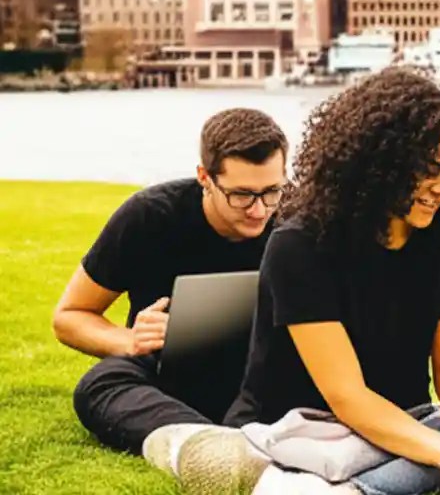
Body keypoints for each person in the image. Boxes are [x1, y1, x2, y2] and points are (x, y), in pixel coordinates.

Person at [183, 68, 440, 495]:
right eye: (432, 169)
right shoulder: (299, 245)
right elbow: (346, 396)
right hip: (300, 432)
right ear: (382, 161)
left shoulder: (438, 240)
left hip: (402, 427)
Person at [53, 108, 287, 458]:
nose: (259, 210)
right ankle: (217, 449)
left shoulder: (297, 219)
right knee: (99, 385)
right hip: (170, 374)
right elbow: (69, 317)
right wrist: (130, 340)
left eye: (271, 191)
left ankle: (215, 445)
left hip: (264, 371)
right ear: (205, 178)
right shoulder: (150, 216)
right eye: (241, 195)